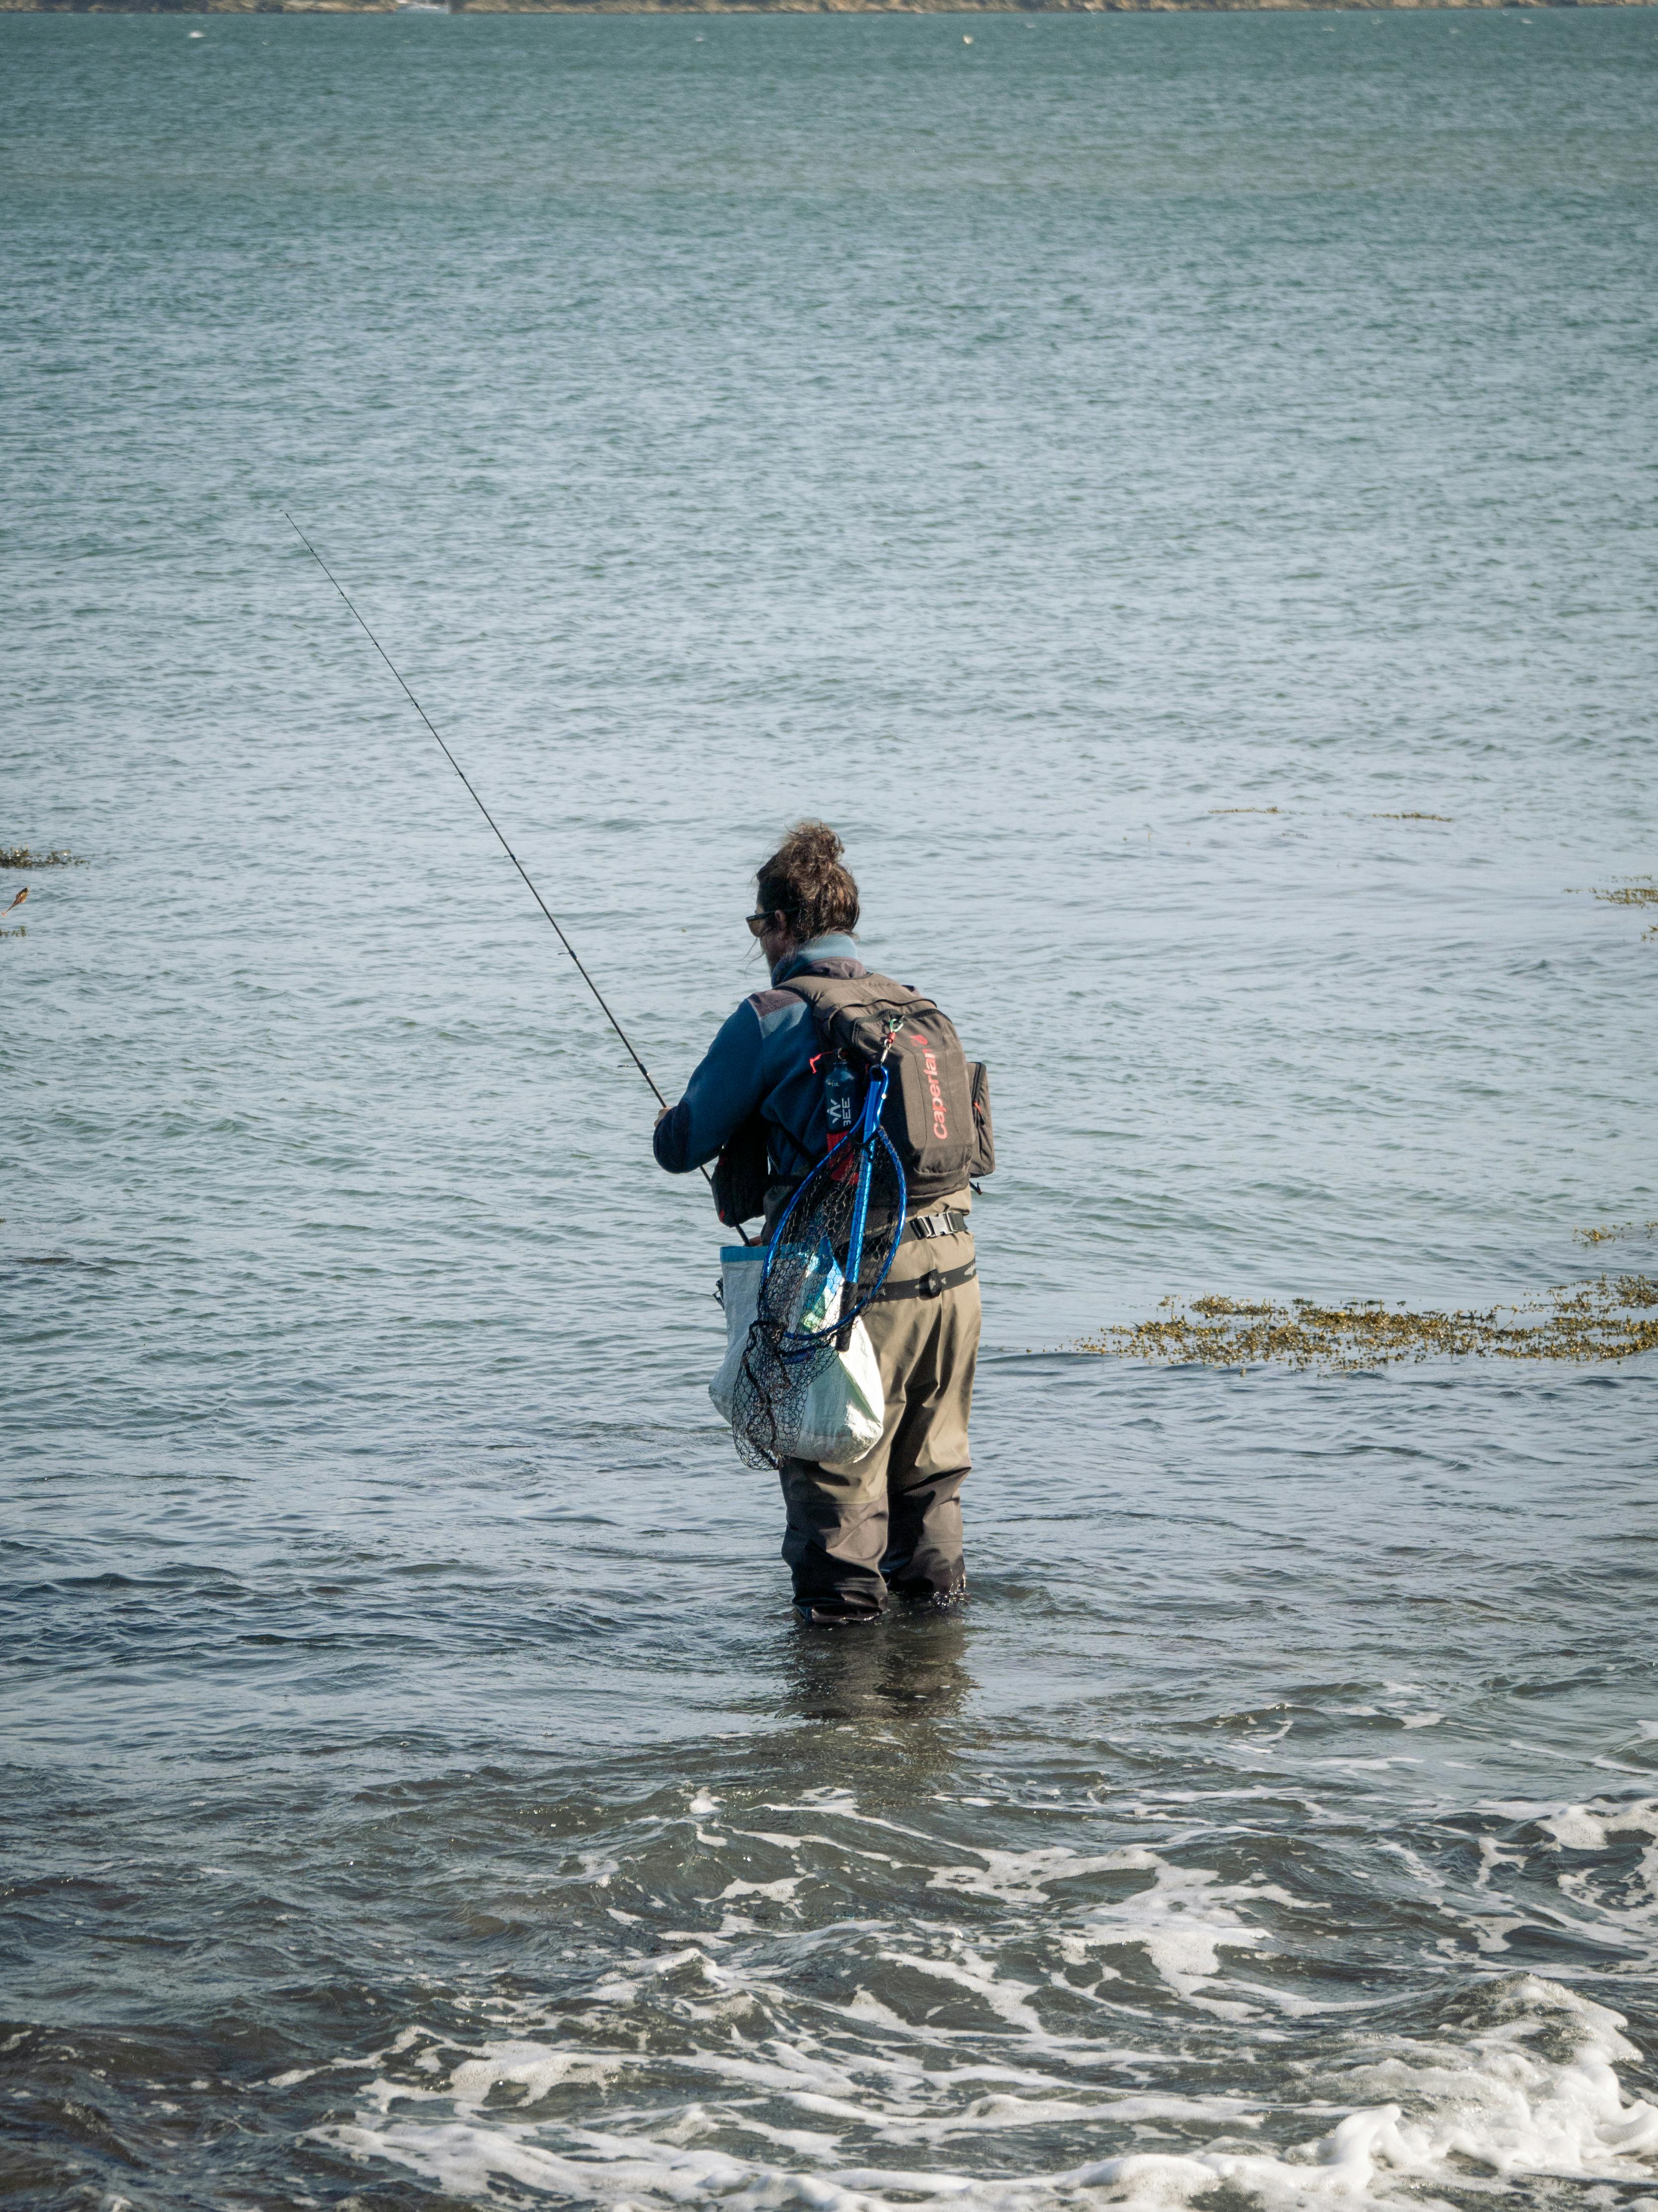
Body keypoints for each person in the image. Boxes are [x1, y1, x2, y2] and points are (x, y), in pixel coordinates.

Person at [653, 822, 984, 1626]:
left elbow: (680, 1145)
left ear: (778, 924)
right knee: (928, 1491)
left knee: (836, 1508)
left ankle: (836, 1735)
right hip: (954, 1280)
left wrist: (680, 1120)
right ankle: (936, 1700)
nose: (757, 941)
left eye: (756, 926)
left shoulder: (773, 1014)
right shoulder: (916, 1009)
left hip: (847, 1290)